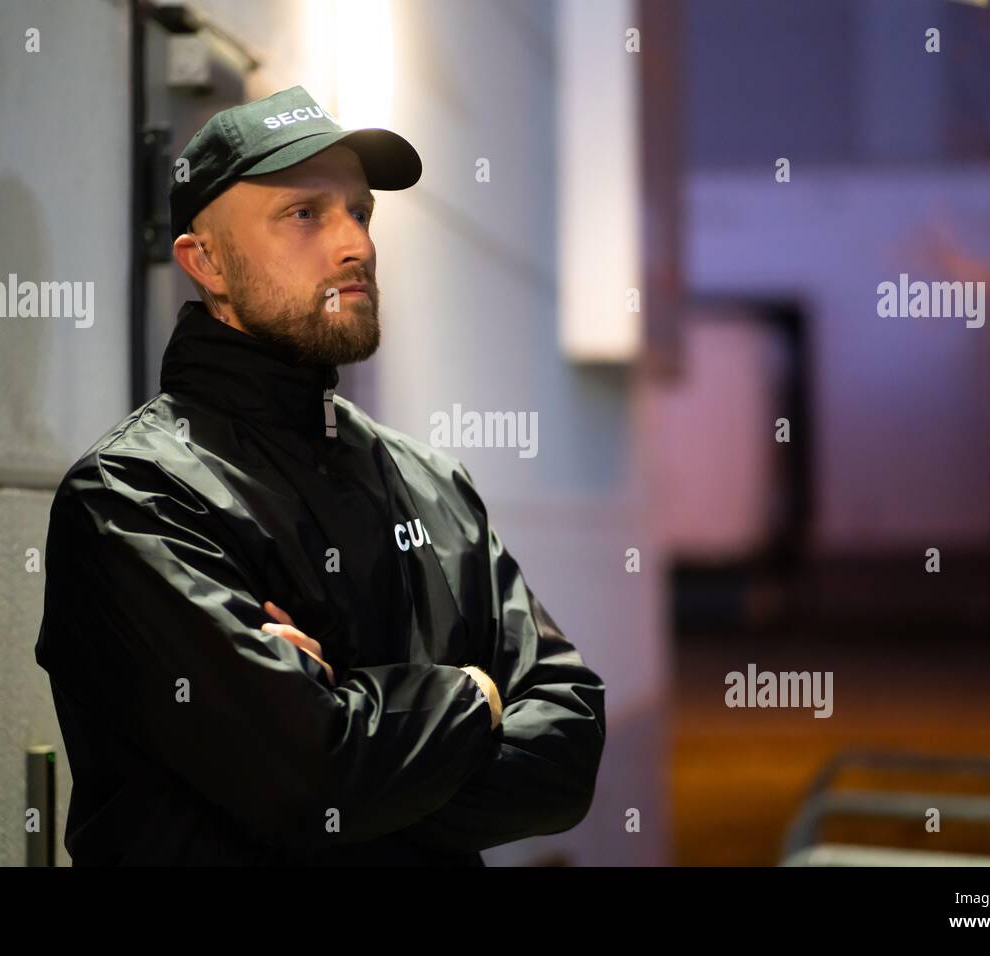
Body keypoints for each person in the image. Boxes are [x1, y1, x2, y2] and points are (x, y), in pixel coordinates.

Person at [34, 85, 606, 865]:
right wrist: (477, 693)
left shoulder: (430, 480)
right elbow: (313, 777)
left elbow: (569, 750)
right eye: (305, 214)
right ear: (207, 263)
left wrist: (354, 736)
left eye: (361, 213)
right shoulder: (133, 497)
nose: (356, 246)